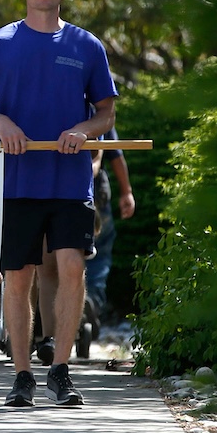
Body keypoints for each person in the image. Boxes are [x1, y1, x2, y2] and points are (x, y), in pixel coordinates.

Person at [0, 0, 117, 408]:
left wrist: (82, 131)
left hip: (69, 181)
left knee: (71, 267)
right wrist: (0, 120)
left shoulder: (87, 46)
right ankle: (22, 375)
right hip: (17, 181)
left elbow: (106, 113)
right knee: (18, 276)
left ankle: (61, 371)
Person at [86, 126, 135, 318]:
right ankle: (91, 300)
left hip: (69, 194)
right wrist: (126, 192)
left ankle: (72, 302)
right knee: (98, 253)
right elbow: (115, 154)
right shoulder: (101, 115)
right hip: (97, 195)